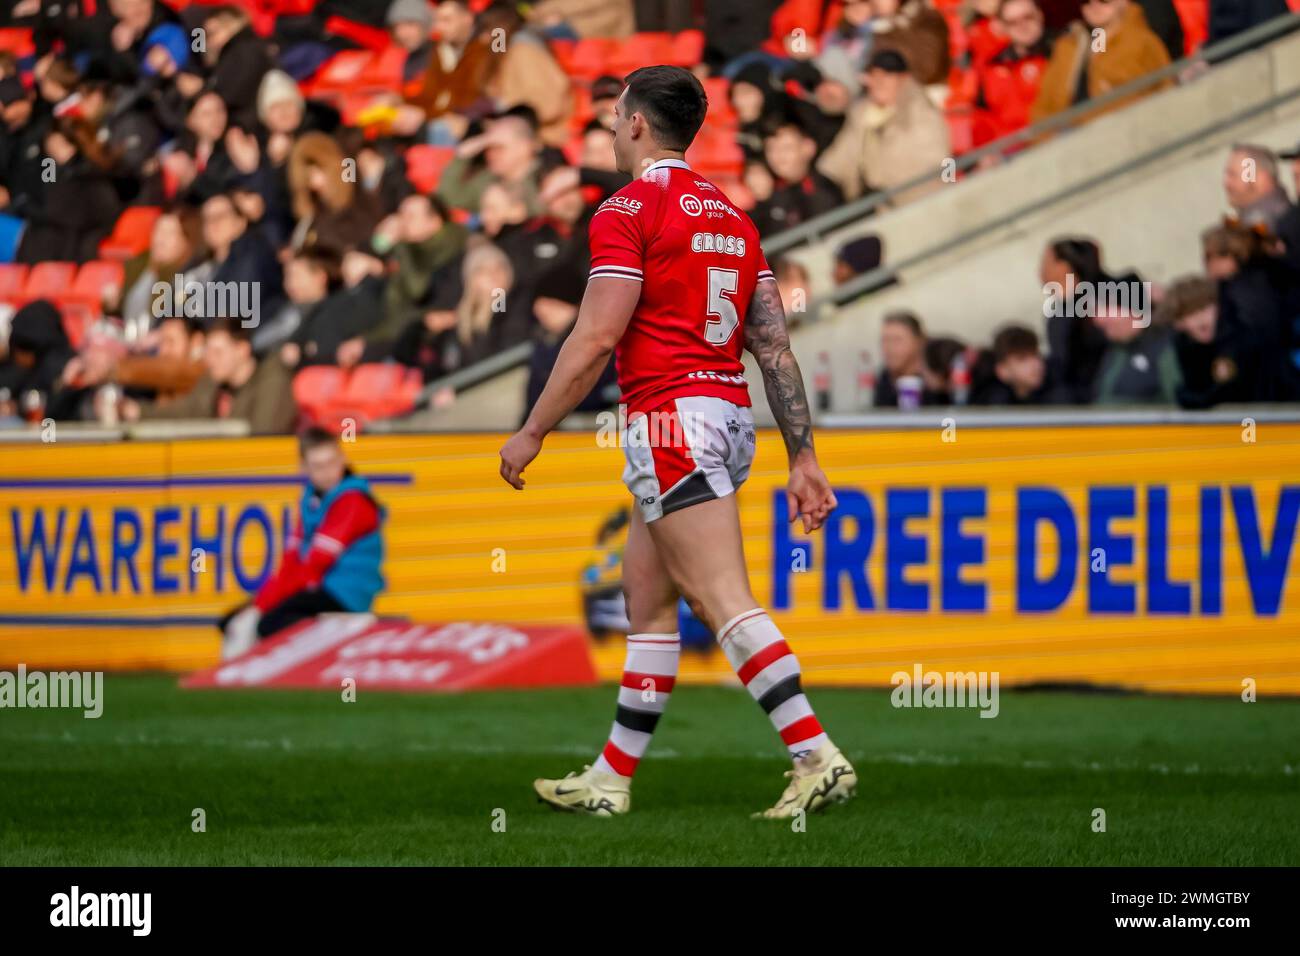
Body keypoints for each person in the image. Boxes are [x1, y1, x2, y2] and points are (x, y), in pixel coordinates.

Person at [498, 66, 855, 819]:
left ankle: (814, 754)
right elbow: (776, 350)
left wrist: (534, 429)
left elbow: (596, 335)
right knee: (649, 603)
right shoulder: (733, 214)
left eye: (613, 114)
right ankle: (611, 778)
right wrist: (802, 456)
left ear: (634, 124)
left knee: (724, 600)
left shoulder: (627, 209)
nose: (607, 126)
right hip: (724, 416)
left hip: (670, 420)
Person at [220, 427, 386, 658]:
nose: (328, 472)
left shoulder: (352, 501)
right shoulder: (311, 500)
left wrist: (262, 607)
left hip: (345, 593)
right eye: (319, 466)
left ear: (343, 457)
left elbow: (314, 566)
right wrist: (260, 603)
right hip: (316, 588)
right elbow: (292, 561)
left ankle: (314, 665)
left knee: (269, 623)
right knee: (230, 620)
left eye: (332, 462)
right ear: (303, 468)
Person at [124, 317, 297, 433]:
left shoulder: (273, 382)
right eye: (208, 352)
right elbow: (186, 410)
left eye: (218, 352)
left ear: (242, 350)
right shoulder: (213, 381)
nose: (210, 359)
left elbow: (266, 436)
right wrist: (138, 411)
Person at [1030, 0, 1172, 124]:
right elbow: (1042, 110)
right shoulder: (1068, 47)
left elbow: (1165, 93)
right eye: (1085, 0)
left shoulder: (1142, 42)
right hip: (1067, 144)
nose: (1094, 4)